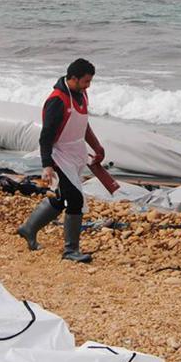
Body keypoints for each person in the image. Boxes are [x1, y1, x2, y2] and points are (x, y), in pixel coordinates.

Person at [16, 59, 105, 263]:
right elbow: (46, 136)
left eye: (90, 81)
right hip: (60, 154)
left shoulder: (81, 94)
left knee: (63, 196)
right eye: (86, 81)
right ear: (73, 78)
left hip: (76, 152)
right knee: (75, 199)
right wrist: (47, 165)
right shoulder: (57, 101)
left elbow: (83, 125)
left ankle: (28, 228)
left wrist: (97, 146)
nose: (88, 86)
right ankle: (70, 250)